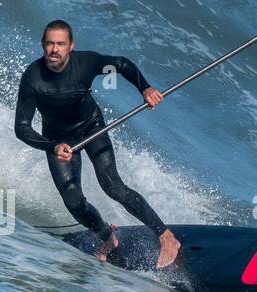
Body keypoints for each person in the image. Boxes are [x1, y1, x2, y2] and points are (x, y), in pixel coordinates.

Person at [14, 19, 181, 269]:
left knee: (112, 185)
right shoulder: (33, 78)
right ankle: (107, 237)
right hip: (59, 141)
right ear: (42, 45)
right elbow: (22, 127)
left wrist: (145, 89)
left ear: (71, 46)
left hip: (91, 127)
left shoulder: (86, 63)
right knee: (72, 200)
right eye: (49, 43)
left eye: (60, 44)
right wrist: (52, 146)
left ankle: (167, 237)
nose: (54, 49)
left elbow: (122, 64)